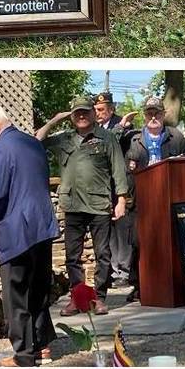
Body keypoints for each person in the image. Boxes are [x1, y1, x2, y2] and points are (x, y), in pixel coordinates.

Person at [0, 103, 59, 367]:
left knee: (16, 295)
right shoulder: (32, 143)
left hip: (17, 230)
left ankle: (24, 356)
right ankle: (42, 346)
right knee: (39, 290)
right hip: (42, 225)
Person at [35, 95, 129, 314]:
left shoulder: (107, 138)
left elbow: (118, 170)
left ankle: (99, 297)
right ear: (72, 116)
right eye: (77, 113)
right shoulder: (64, 139)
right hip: (73, 205)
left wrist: (121, 199)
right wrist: (55, 120)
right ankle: (77, 298)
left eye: (85, 112)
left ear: (93, 114)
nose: (81, 116)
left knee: (103, 254)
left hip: (99, 205)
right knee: (72, 256)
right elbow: (37, 139)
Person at [121, 97, 185, 298]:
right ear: (144, 115)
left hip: (169, 199)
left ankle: (174, 283)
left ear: (164, 114)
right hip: (140, 199)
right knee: (139, 243)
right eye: (149, 113)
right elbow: (110, 143)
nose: (153, 117)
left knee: (171, 241)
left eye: (157, 113)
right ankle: (140, 286)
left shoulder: (175, 136)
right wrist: (121, 125)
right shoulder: (132, 137)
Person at [90, 92, 136, 287]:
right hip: (102, 186)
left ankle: (123, 271)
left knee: (122, 230)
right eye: (95, 110)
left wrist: (119, 128)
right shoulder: (94, 128)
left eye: (101, 110)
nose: (97, 113)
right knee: (107, 231)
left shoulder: (124, 126)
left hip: (120, 185)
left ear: (111, 109)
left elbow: (115, 146)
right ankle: (111, 270)